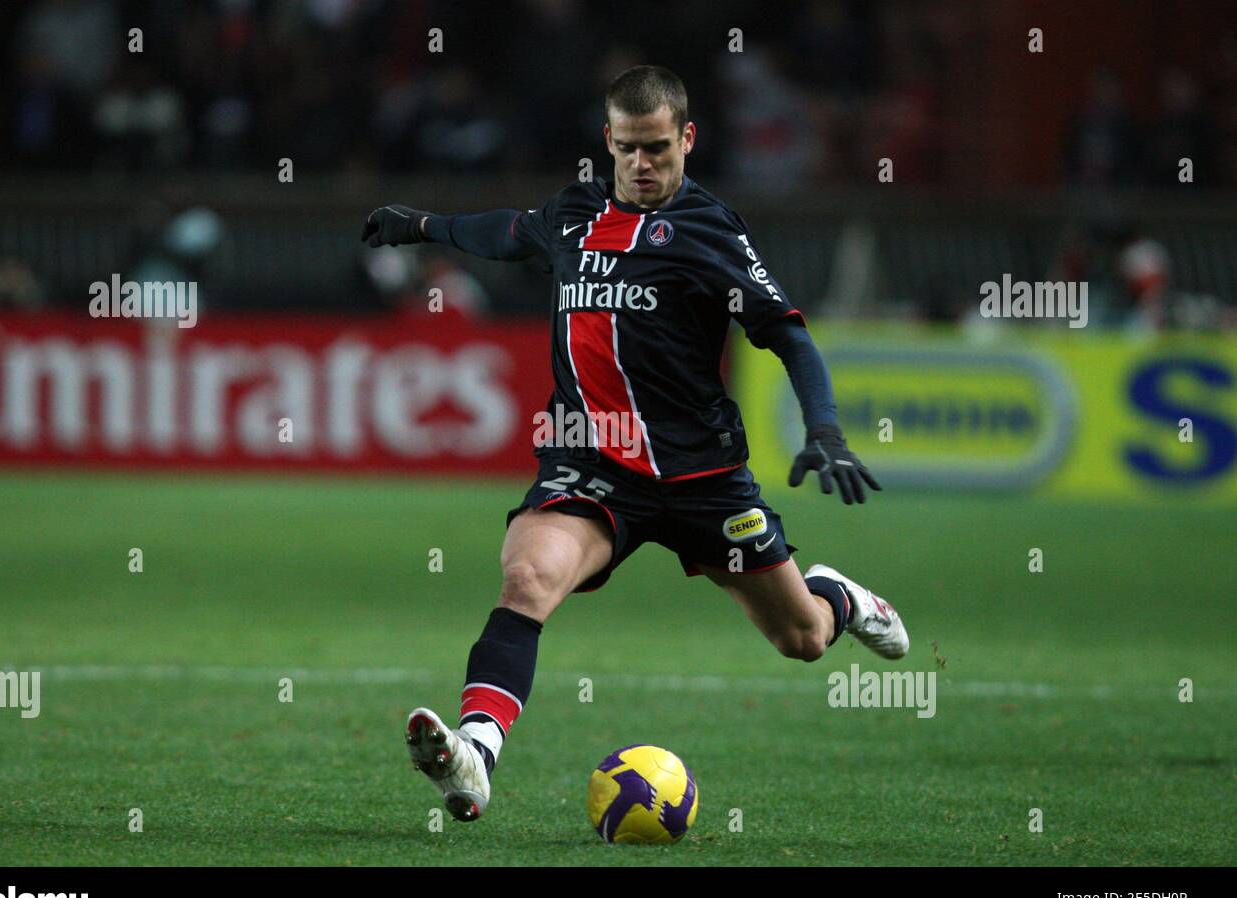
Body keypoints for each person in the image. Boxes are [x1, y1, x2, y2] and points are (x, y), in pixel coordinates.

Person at [361, 65, 909, 823]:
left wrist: (825, 428)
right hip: (591, 465)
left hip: (701, 477)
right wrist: (423, 225)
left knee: (803, 639)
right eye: (628, 149)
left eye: (658, 148)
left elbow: (786, 334)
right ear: (608, 142)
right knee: (526, 580)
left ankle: (839, 597)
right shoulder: (574, 215)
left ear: (688, 138)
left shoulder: (713, 230)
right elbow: (507, 232)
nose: (643, 165)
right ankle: (476, 756)